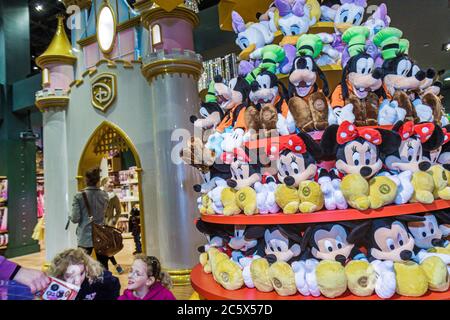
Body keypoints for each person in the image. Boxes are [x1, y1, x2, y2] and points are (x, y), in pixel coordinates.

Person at [70, 168, 110, 269]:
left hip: (85, 236)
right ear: (98, 181)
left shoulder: (79, 196)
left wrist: (70, 216)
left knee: (81, 265)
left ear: (86, 180)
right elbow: (105, 214)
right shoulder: (104, 195)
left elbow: (75, 219)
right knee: (103, 265)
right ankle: (104, 284)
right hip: (100, 235)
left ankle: (85, 284)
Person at [48, 248, 120, 300]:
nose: (77, 280)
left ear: (87, 268)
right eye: (70, 276)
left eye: (81, 273)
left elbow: (114, 283)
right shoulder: (57, 287)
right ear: (60, 275)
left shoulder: (96, 278)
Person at [101, 177, 124, 274]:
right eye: (110, 182)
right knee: (103, 248)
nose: (112, 184)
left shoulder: (114, 197)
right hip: (97, 224)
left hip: (108, 225)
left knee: (107, 247)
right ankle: (115, 266)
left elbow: (118, 211)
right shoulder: (98, 195)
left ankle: (106, 269)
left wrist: (113, 221)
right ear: (104, 183)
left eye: (112, 182)